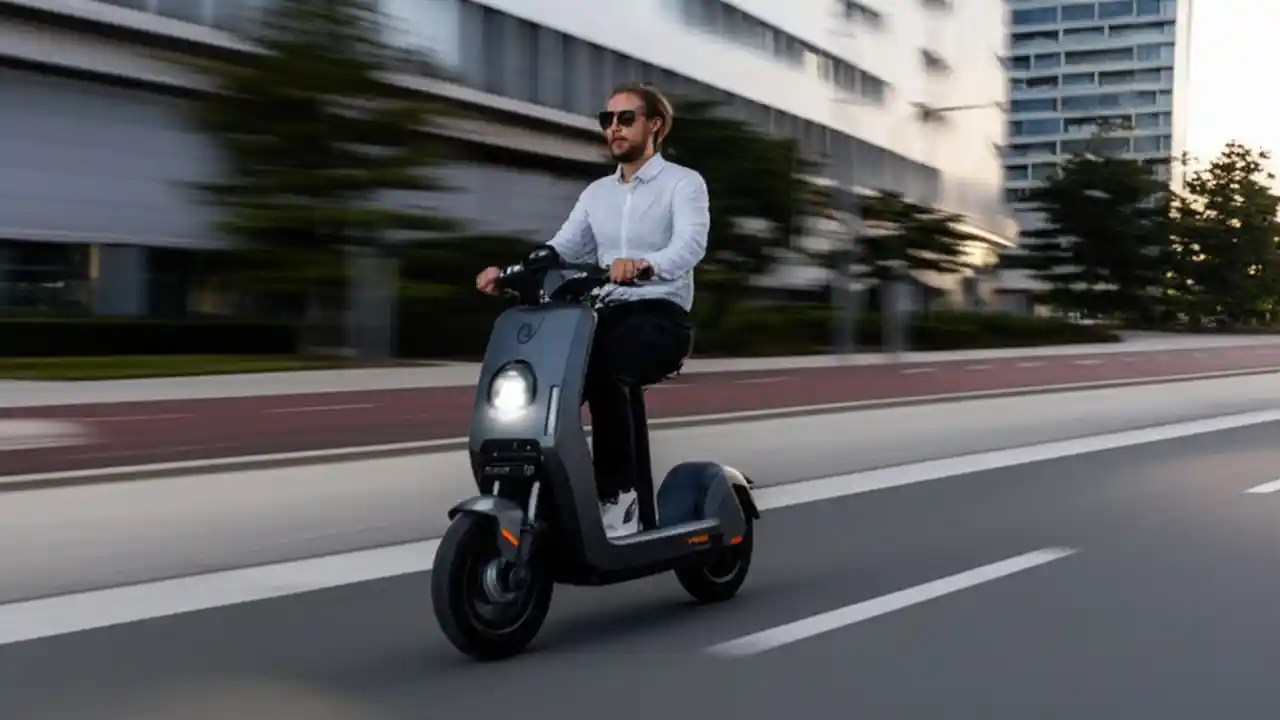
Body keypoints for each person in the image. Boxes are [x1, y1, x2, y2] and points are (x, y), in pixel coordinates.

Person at [475, 81, 710, 538]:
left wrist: (645, 265)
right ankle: (540, 491)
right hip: (602, 316)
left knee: (603, 369)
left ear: (654, 126)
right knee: (544, 382)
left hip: (659, 316)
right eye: (608, 120)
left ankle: (617, 496)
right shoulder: (596, 194)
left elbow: (690, 246)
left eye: (626, 119)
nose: (614, 128)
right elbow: (560, 249)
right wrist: (508, 272)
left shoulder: (683, 184)